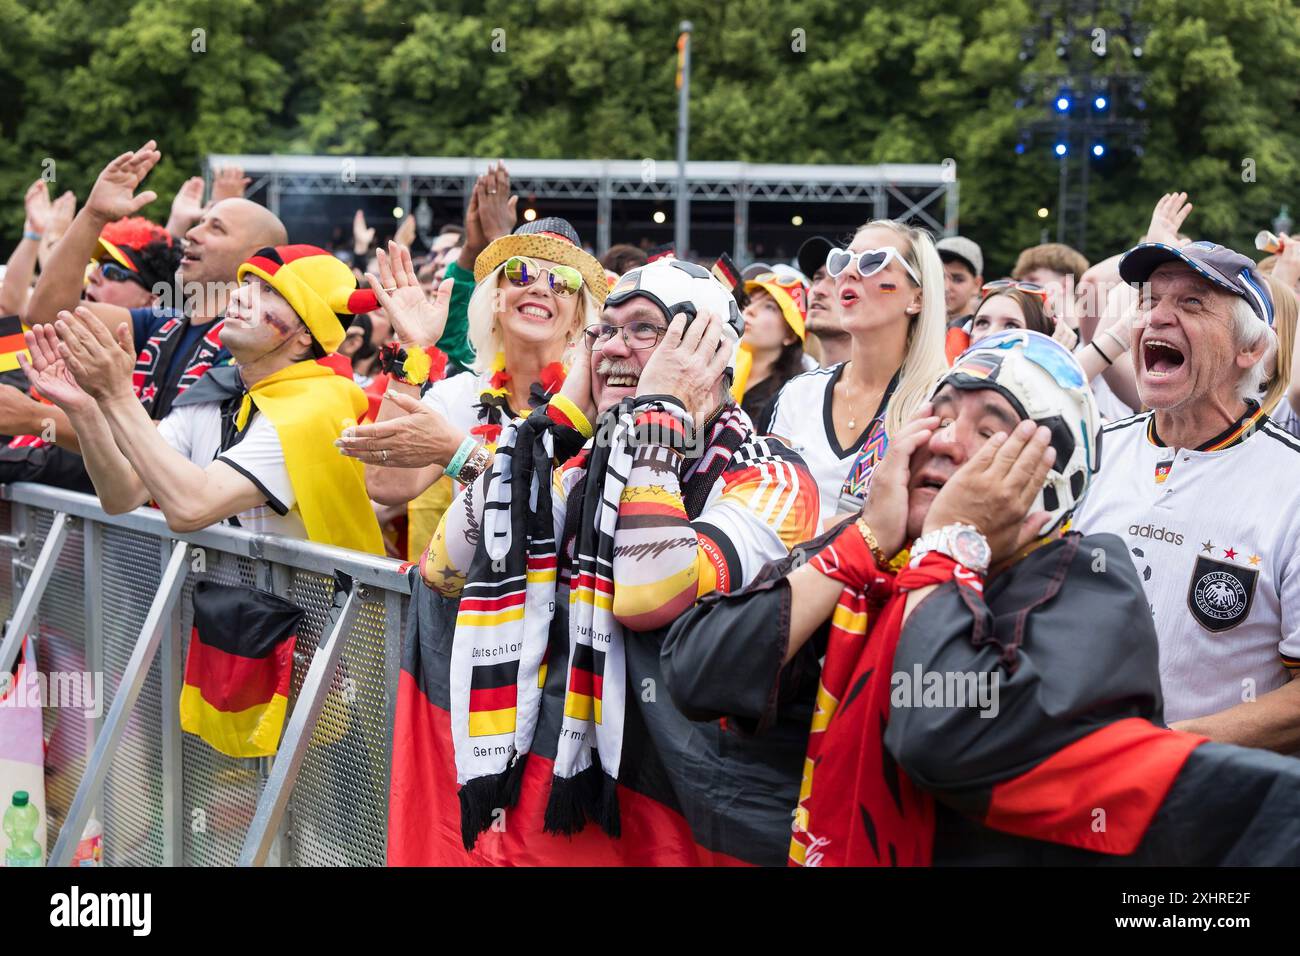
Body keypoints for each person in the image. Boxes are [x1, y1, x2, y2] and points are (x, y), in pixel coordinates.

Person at [665, 330, 1300, 865]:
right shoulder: (870, 558)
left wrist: (947, 547)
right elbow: (699, 673)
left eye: (989, 427)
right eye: (939, 416)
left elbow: (939, 732)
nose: (943, 439)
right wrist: (861, 541)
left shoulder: (1091, 584)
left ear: (1049, 474)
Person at [389, 258, 820, 866]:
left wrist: (660, 421)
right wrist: (556, 425)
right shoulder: (591, 460)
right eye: (604, 331)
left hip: (678, 830)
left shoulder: (773, 473)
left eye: (644, 329)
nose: (614, 348)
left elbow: (649, 598)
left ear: (706, 350)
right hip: (560, 827)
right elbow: (447, 565)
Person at [1073, 240, 1300, 753]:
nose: (1157, 318)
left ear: (1250, 349)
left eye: (1192, 303)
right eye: (1150, 301)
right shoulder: (1091, 452)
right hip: (1067, 784)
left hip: (1205, 808)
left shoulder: (1291, 485)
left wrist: (1160, 751)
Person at [21, 245, 384, 554]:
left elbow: (191, 508)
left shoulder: (316, 406)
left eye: (268, 291)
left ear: (307, 334)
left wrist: (116, 394)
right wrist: (85, 407)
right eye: (246, 283)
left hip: (325, 628)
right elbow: (122, 493)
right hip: (240, 618)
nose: (239, 295)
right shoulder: (220, 388)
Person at [341, 216, 605, 557]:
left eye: (564, 281)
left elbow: (559, 515)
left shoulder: (596, 406)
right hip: (465, 606)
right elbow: (386, 484)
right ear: (494, 301)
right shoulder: (456, 396)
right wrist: (411, 347)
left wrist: (460, 453)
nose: (541, 287)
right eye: (520, 272)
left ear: (578, 319)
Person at [766, 219, 948, 522]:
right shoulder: (799, 394)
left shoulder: (939, 404)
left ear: (917, 298)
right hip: (788, 567)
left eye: (873, 262)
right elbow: (764, 503)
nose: (849, 272)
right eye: (843, 261)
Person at [735, 270, 809, 428]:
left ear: (790, 335)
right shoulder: (717, 368)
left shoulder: (794, 397)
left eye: (769, 307)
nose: (750, 310)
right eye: (748, 302)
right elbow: (691, 444)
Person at [795, 235, 849, 366]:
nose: (817, 290)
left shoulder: (900, 385)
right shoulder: (796, 386)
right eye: (817, 279)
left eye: (837, 281)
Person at [935, 235, 984, 326]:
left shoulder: (982, 335)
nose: (946, 287)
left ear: (977, 285)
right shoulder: (915, 329)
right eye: (939, 277)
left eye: (958, 280)